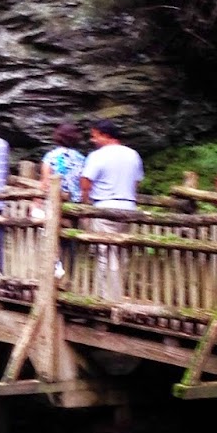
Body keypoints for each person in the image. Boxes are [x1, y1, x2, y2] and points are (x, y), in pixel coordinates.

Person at [80, 118, 143, 298]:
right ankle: (117, 294)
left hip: (105, 207)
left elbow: (85, 182)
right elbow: (136, 182)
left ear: (105, 135)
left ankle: (108, 298)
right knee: (120, 253)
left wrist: (85, 204)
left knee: (105, 254)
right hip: (128, 207)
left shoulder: (97, 156)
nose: (93, 140)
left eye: (95, 136)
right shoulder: (133, 154)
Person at [41, 121, 86, 203]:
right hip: (76, 201)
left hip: (54, 200)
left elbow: (45, 182)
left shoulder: (50, 156)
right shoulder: (81, 159)